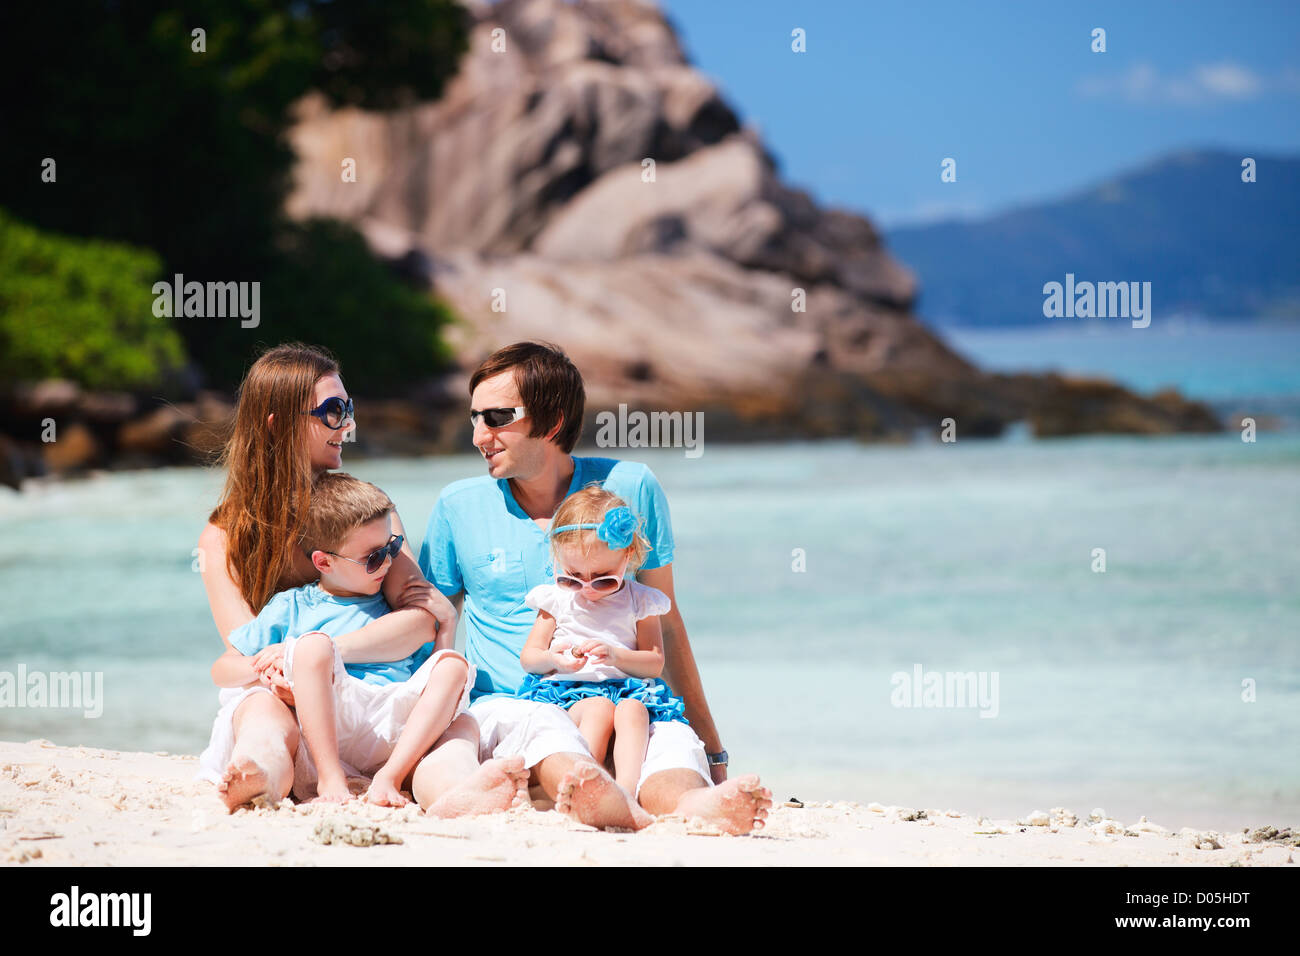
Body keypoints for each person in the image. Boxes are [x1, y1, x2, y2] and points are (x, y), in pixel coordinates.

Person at [414, 341, 771, 834]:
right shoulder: (457, 505)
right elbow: (428, 627)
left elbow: (665, 622)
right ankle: (594, 795)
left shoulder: (633, 486)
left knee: (666, 742)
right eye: (474, 417)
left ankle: (694, 806)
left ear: (553, 422)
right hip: (520, 706)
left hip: (632, 699)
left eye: (496, 417)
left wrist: (711, 744)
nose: (479, 435)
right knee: (548, 734)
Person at [196, 342, 527, 814]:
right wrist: (294, 671)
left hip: (379, 705)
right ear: (278, 424)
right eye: (332, 411)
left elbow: (421, 619)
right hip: (290, 707)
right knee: (264, 719)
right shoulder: (223, 536)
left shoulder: (368, 511)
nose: (348, 425)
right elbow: (241, 657)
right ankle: (257, 774)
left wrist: (322, 655)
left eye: (347, 409)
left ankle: (457, 792)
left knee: (449, 734)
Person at [200, 473, 476, 807]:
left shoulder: (391, 610)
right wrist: (271, 663)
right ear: (324, 562)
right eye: (373, 557)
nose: (388, 562)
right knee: (314, 646)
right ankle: (329, 780)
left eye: (391, 547)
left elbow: (431, 681)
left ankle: (391, 778)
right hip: (324, 725)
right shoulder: (293, 606)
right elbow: (222, 669)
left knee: (453, 667)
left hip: (389, 723)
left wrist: (447, 624)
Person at [519, 486, 685, 795]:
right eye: (571, 576)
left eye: (603, 578)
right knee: (598, 709)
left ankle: (625, 790)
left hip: (626, 690)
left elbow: (654, 663)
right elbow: (529, 656)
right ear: (557, 559)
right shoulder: (555, 599)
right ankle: (585, 785)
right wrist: (555, 660)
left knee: (634, 711)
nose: (587, 589)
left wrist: (617, 656)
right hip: (569, 693)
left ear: (628, 555)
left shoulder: (641, 601)